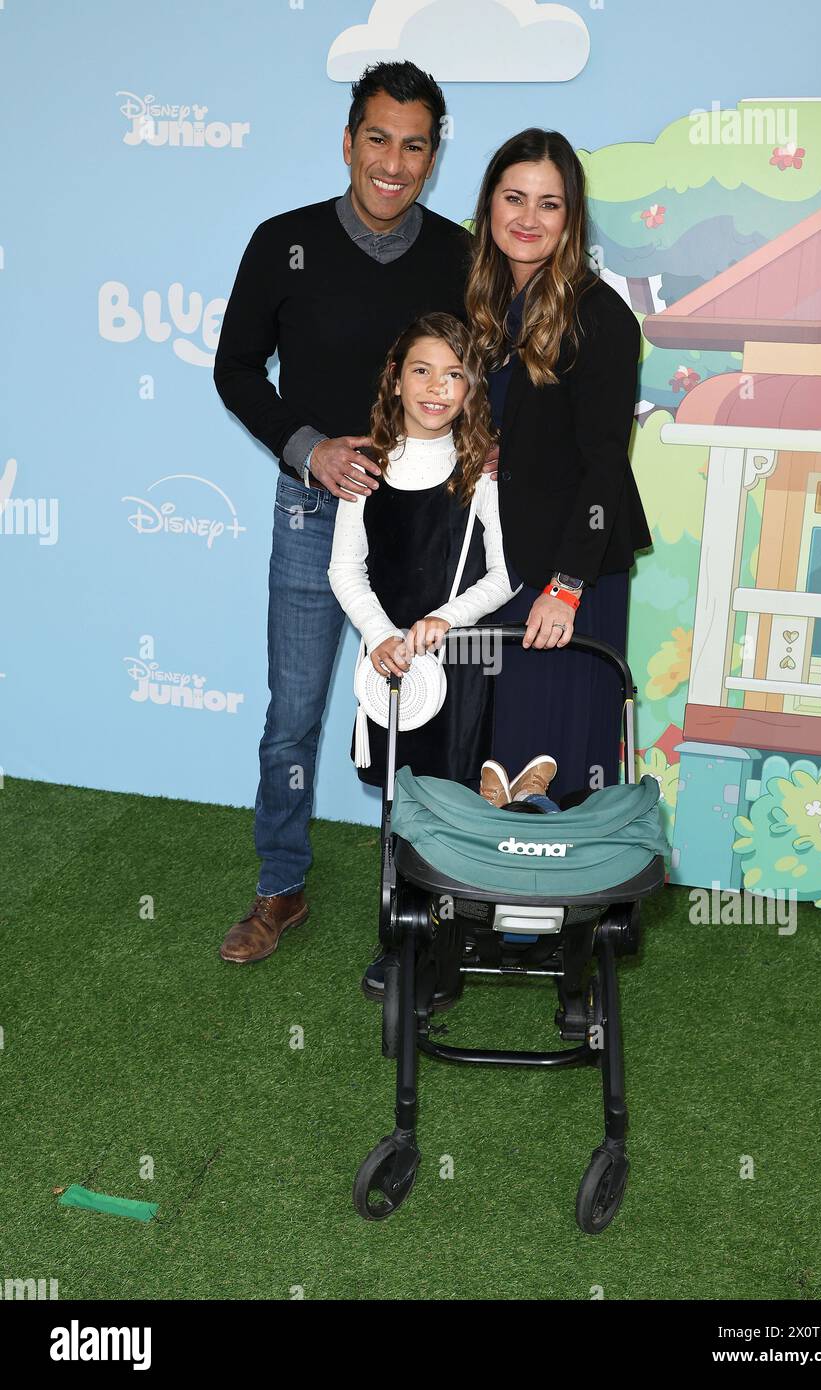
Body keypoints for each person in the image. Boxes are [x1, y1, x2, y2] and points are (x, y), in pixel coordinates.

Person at [212, 61, 478, 966]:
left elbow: (483, 385)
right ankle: (279, 889)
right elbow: (236, 370)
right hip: (309, 517)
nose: (392, 162)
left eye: (413, 144)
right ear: (348, 141)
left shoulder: (457, 256)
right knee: (294, 715)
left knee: (421, 713)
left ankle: (423, 901)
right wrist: (309, 449)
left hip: (421, 529)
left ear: (433, 155)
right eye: (377, 139)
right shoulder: (280, 242)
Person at [466, 129, 653, 804]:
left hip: (572, 567)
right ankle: (494, 897)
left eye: (548, 204)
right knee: (500, 756)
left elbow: (605, 462)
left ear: (571, 218)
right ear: (488, 205)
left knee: (556, 759)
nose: (527, 217)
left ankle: (561, 903)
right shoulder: (484, 307)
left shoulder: (598, 316)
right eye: (514, 197)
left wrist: (565, 586)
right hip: (504, 560)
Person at [328, 312, 515, 792]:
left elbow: (505, 574)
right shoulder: (365, 469)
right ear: (394, 379)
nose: (437, 387)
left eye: (454, 375)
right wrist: (380, 635)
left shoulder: (484, 471)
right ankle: (397, 872)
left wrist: (447, 619)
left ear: (471, 390)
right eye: (421, 371)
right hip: (390, 661)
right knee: (400, 794)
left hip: (464, 663)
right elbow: (346, 569)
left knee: (455, 794)